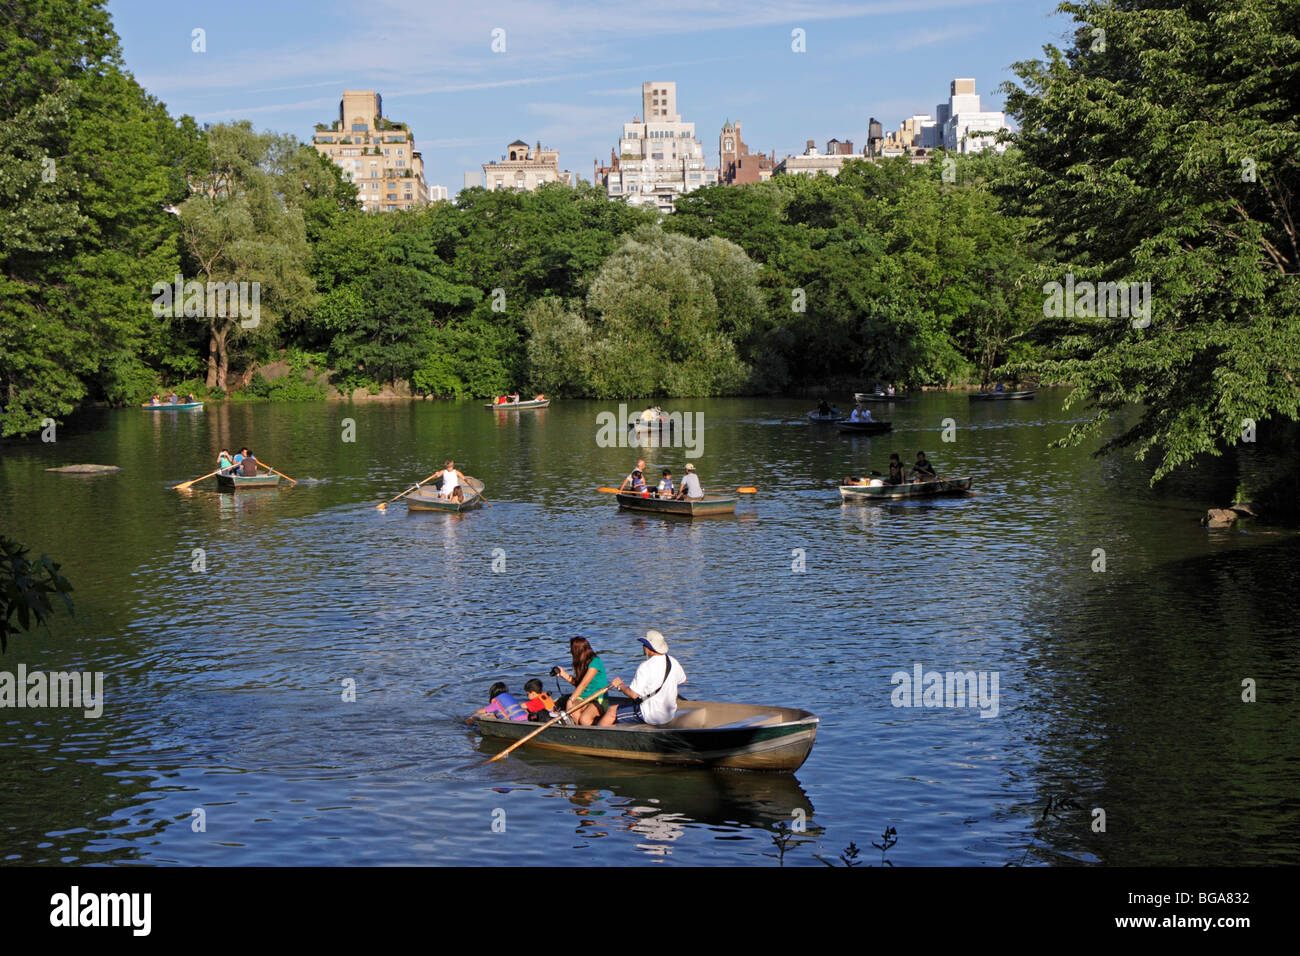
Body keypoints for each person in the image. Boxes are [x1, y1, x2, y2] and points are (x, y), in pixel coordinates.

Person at [601, 630, 687, 727]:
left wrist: (620, 686)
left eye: (644, 644)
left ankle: (596, 738)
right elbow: (683, 680)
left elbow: (633, 694)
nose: (643, 647)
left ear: (649, 647)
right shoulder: (672, 661)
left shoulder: (645, 666)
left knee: (611, 711)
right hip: (669, 714)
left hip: (651, 715)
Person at [554, 637, 609, 726]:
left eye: (571, 649)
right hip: (583, 697)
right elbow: (578, 684)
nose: (570, 652)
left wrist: (570, 700)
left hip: (597, 699)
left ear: (577, 650)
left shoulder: (595, 662)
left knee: (584, 719)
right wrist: (563, 674)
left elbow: (583, 684)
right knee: (574, 713)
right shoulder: (581, 663)